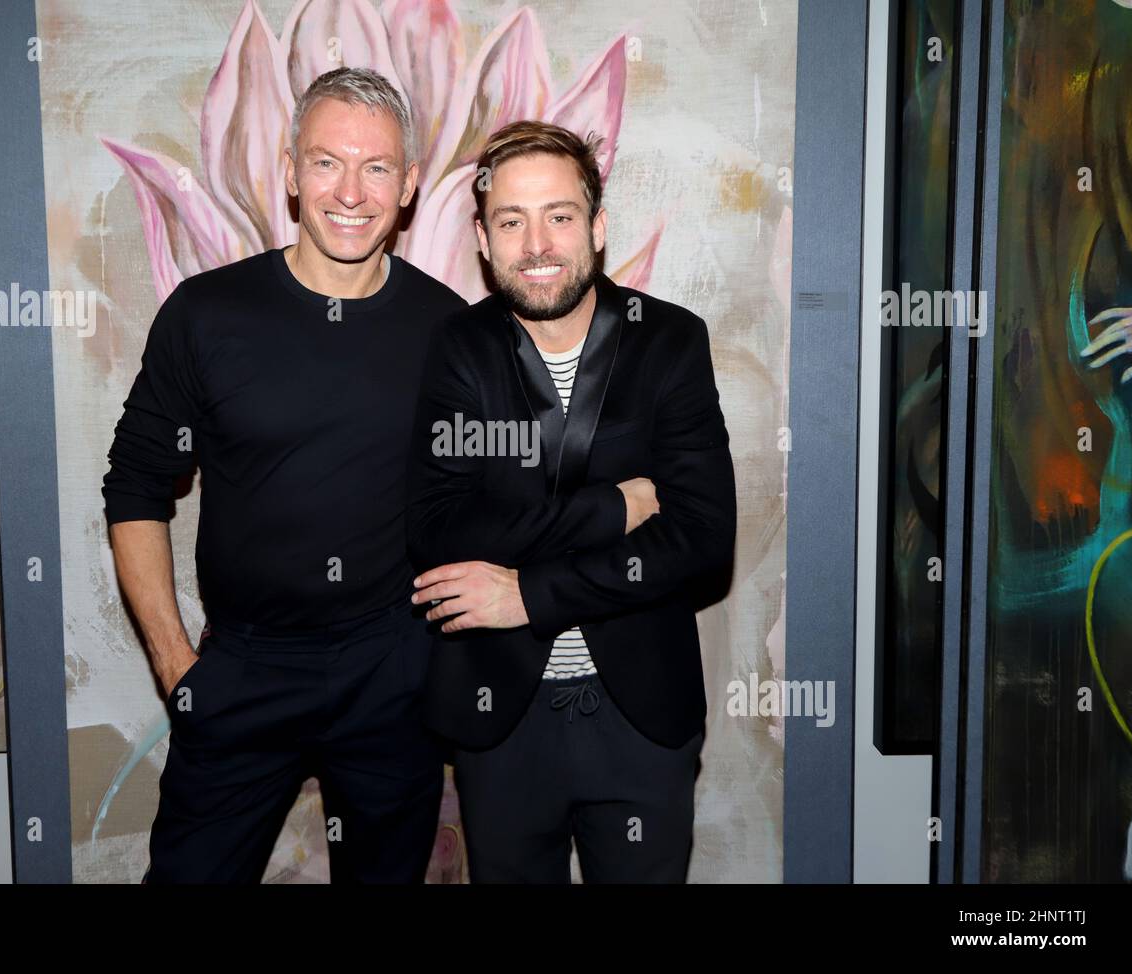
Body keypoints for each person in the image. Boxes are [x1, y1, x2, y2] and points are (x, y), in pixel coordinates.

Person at [102, 67, 466, 884]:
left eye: (377, 167)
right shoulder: (206, 314)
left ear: (408, 186)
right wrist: (171, 659)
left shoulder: (449, 329)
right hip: (244, 669)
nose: (351, 190)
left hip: (391, 674)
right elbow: (134, 484)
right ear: (290, 169)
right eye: (327, 161)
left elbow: (491, 494)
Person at [406, 120, 736, 883]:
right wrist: (615, 509)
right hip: (501, 716)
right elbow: (440, 528)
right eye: (511, 221)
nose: (538, 243)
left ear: (597, 228)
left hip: (641, 713)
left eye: (559, 215)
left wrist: (527, 593)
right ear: (484, 241)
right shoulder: (459, 349)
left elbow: (700, 540)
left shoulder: (670, 343)